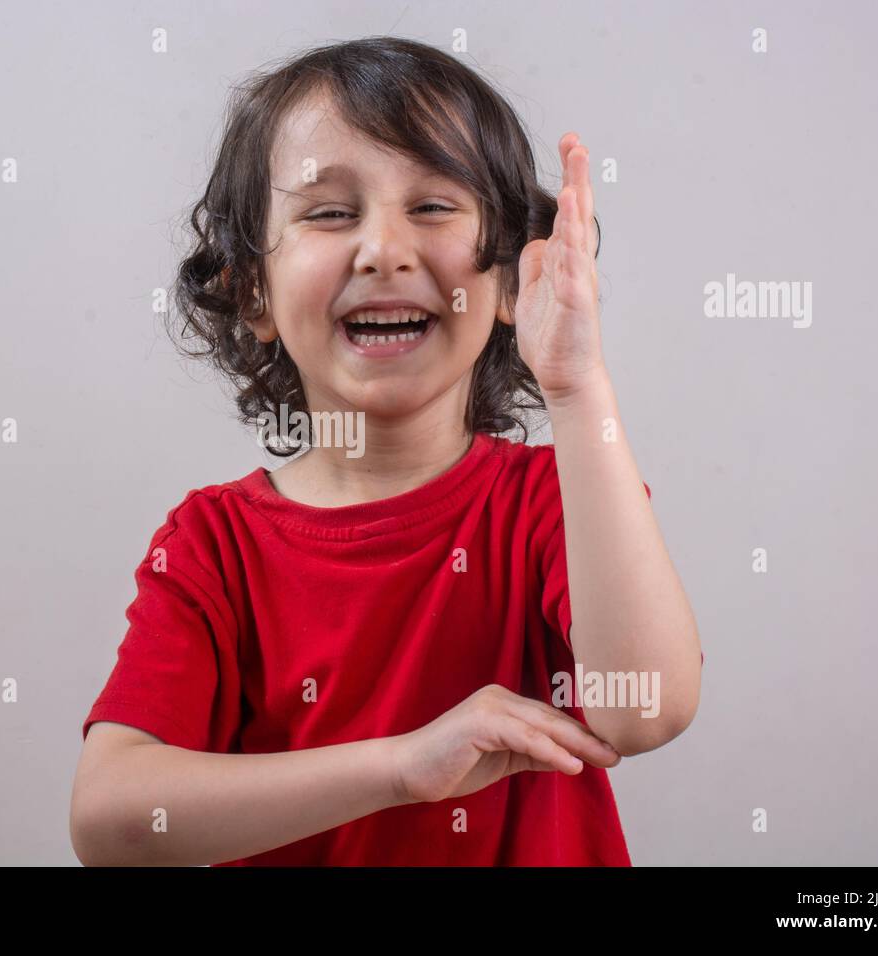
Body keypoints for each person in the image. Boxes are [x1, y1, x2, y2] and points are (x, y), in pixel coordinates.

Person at [70, 36, 702, 866]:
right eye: (329, 212)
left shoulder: (555, 500)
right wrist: (402, 769)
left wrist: (577, 385)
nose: (385, 250)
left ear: (511, 280)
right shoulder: (212, 545)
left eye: (434, 206)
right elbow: (112, 820)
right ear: (250, 290)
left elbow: (646, 708)